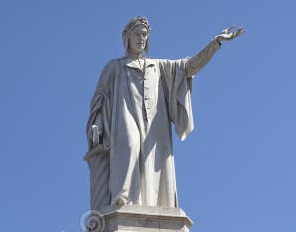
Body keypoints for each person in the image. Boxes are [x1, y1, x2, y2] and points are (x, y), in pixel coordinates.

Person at [86, 17, 244, 210]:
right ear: (127, 38)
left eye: (144, 35)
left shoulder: (159, 66)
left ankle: (157, 205)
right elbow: (101, 99)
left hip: (155, 122)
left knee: (156, 160)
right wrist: (97, 124)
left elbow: (189, 66)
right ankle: (123, 199)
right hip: (125, 116)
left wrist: (216, 43)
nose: (141, 38)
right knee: (129, 145)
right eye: (137, 34)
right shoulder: (114, 67)